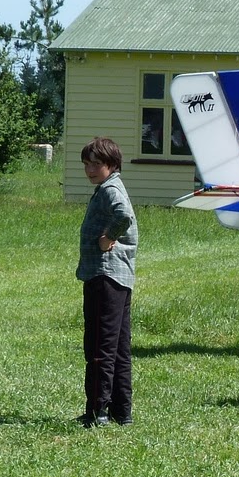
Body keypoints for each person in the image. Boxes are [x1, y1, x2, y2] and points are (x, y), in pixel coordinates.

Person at [76, 136, 137, 428]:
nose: (90, 169)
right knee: (118, 347)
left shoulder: (110, 189)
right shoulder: (109, 187)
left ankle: (97, 412)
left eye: (96, 164)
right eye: (87, 164)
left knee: (99, 345)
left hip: (105, 275)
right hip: (119, 277)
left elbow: (122, 215)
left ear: (111, 165)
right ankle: (121, 412)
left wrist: (108, 237)